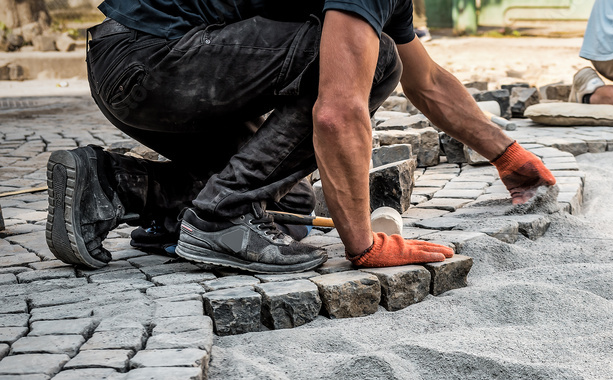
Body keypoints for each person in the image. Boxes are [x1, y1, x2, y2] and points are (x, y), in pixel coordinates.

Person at [46, 0, 556, 273]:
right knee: (375, 59)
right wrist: (364, 245)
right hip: (157, 64)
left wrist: (507, 155)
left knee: (287, 204)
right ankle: (217, 217)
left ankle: (115, 185)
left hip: (126, 66)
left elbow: (428, 82)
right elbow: (338, 110)